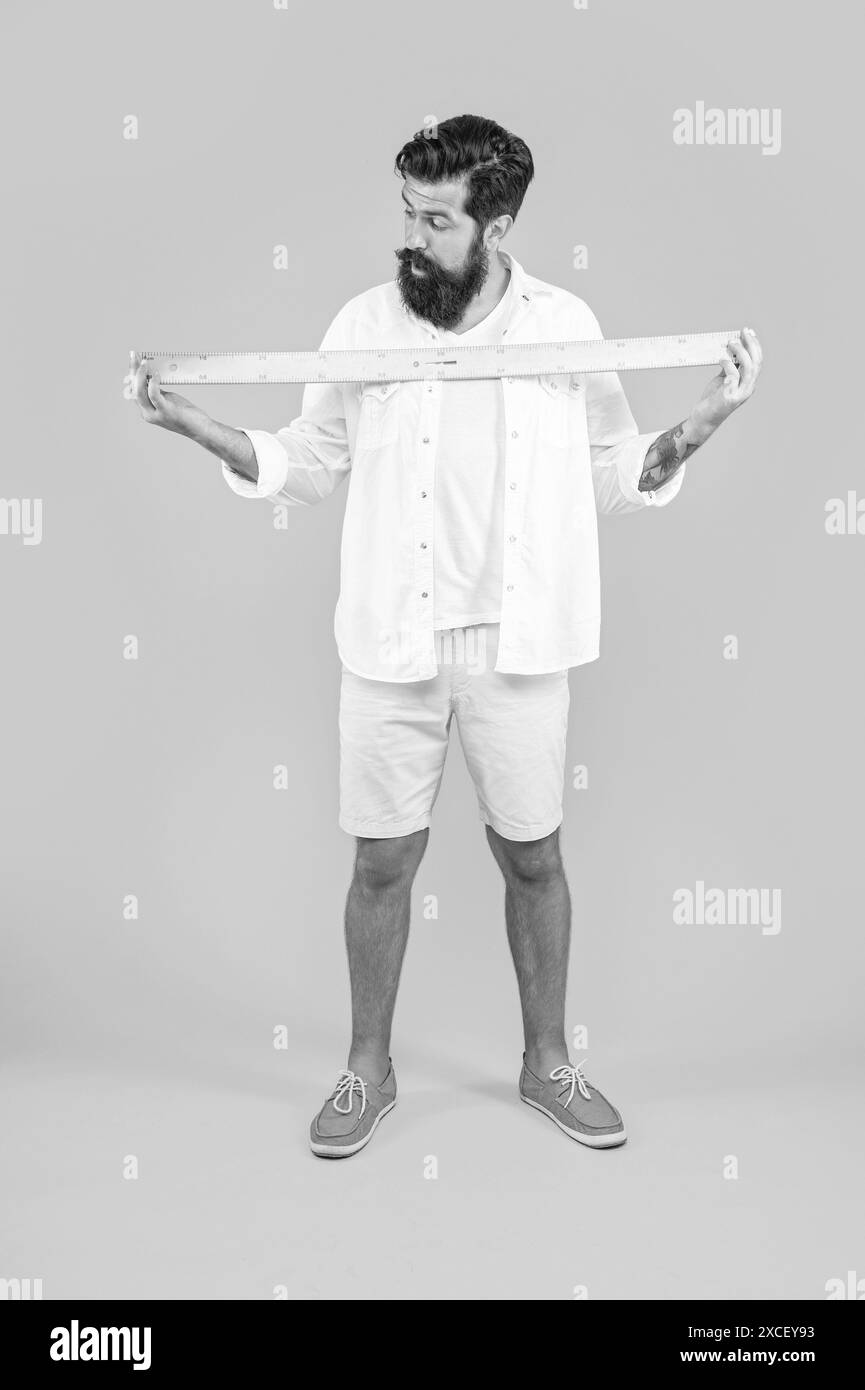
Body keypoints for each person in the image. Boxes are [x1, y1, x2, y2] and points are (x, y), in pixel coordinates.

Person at [129, 113, 763, 1159]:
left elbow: (616, 469)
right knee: (381, 859)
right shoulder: (362, 325)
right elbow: (311, 457)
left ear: (498, 223)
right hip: (391, 639)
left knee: (534, 856)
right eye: (406, 214)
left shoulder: (567, 326)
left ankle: (546, 1060)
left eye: (436, 219)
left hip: (519, 644)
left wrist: (699, 423)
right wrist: (199, 426)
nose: (412, 238)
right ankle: (366, 1070)